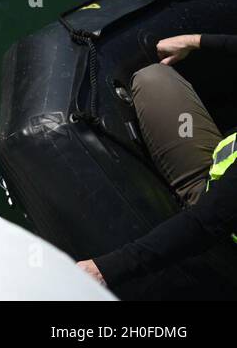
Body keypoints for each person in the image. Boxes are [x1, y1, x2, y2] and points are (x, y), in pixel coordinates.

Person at [77, 33, 237, 291]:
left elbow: (207, 222)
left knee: (152, 81)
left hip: (218, 213)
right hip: (226, 168)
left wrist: (105, 269)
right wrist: (196, 40)